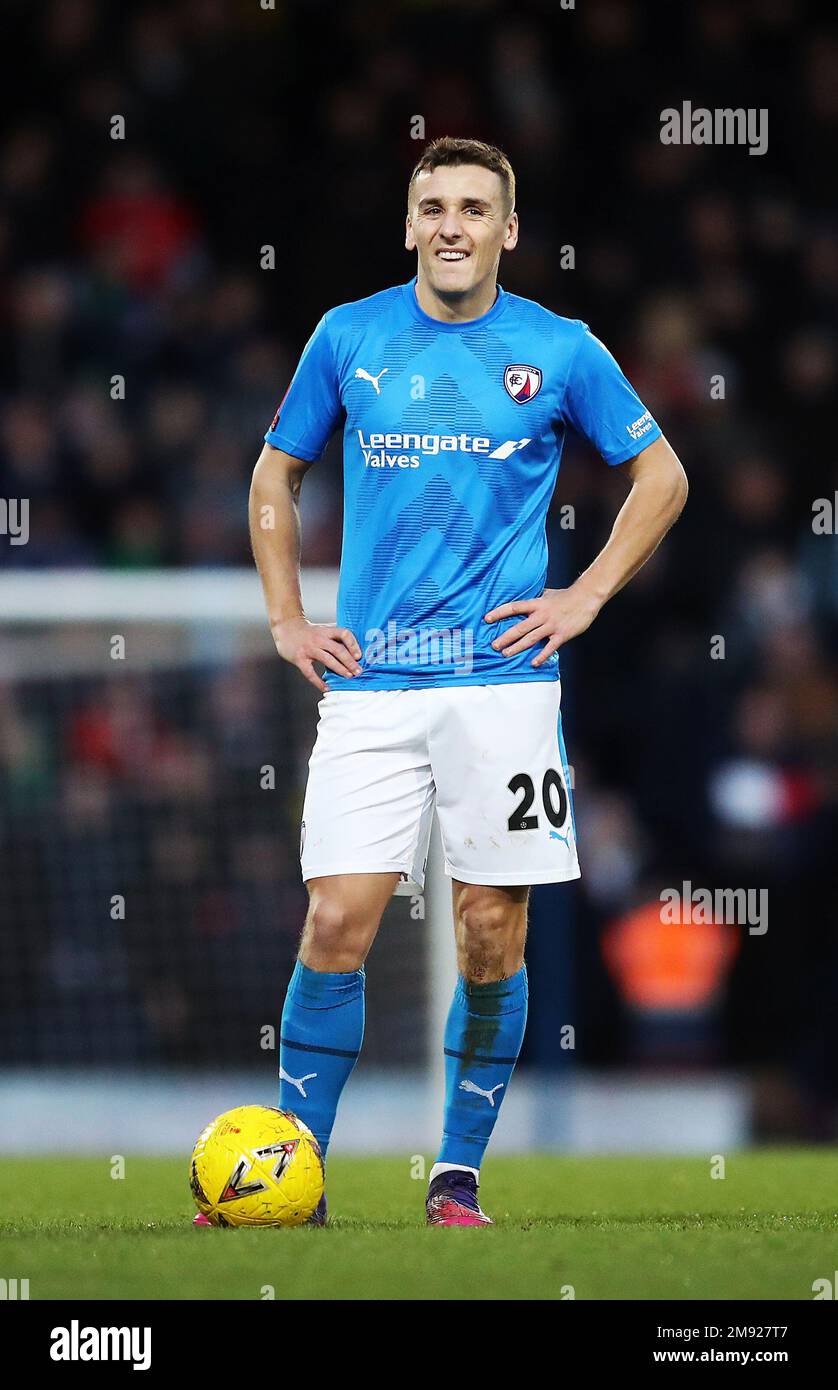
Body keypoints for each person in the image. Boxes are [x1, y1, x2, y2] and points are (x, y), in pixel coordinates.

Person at [245, 137, 687, 1227]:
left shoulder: (561, 346)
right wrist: (287, 616)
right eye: (432, 205)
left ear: (508, 230)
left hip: (503, 687)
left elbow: (662, 474)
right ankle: (290, 1175)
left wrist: (583, 597)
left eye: (473, 207)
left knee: (490, 930)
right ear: (409, 226)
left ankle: (455, 1178)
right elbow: (274, 470)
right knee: (336, 918)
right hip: (372, 685)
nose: (451, 223)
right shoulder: (347, 336)